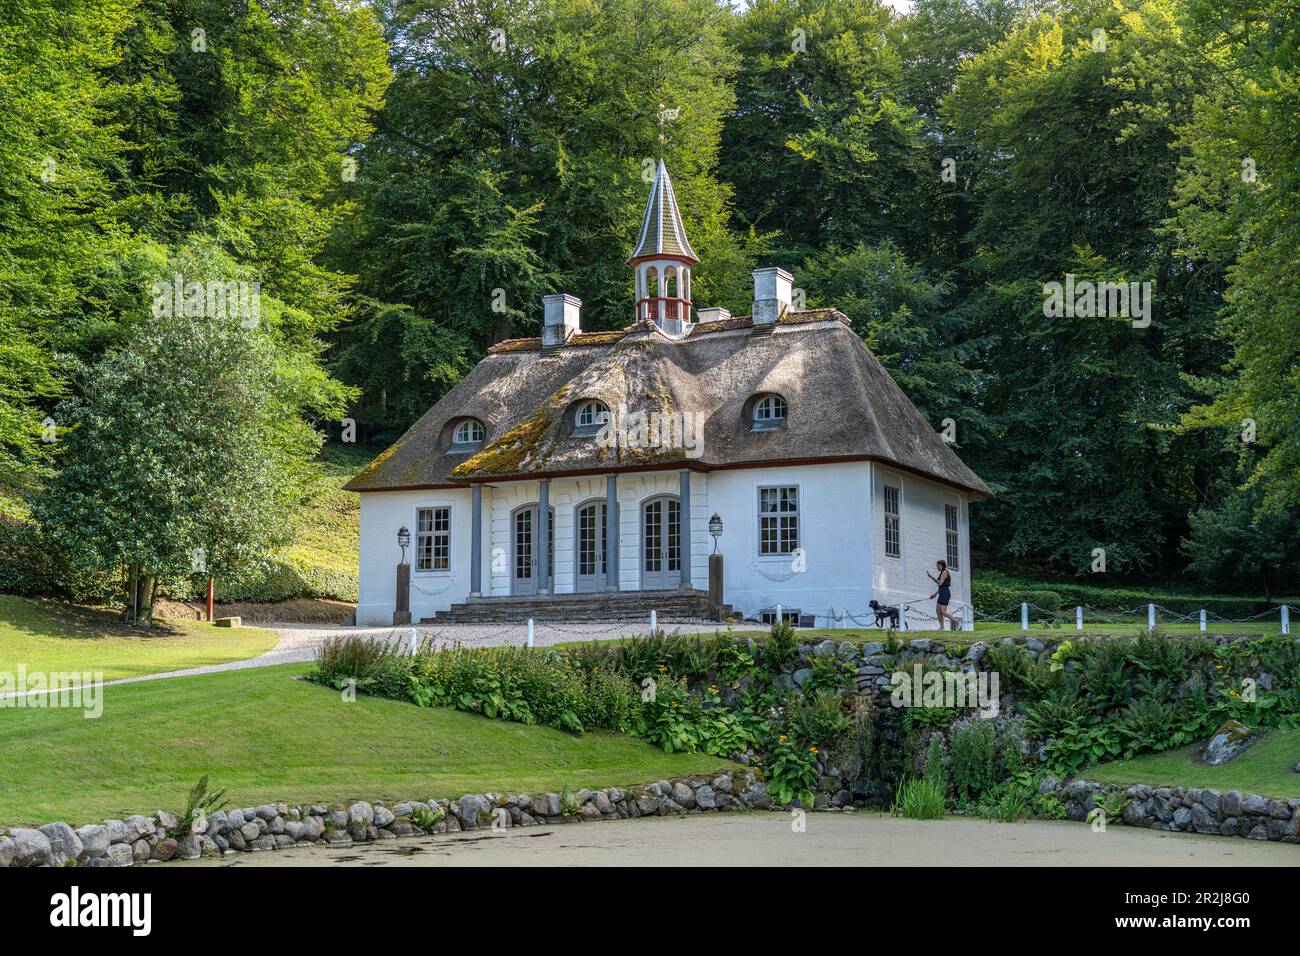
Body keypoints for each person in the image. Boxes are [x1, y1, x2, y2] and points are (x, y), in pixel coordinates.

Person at [927, 560, 957, 630]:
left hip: (945, 593)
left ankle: (956, 621)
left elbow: (940, 583)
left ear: (942, 565)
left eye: (938, 566)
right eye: (937, 566)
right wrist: (934, 595)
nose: (937, 567)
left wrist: (931, 576)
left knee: (943, 612)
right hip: (942, 592)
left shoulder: (944, 572)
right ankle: (942, 627)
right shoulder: (941, 573)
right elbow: (941, 586)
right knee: (938, 610)